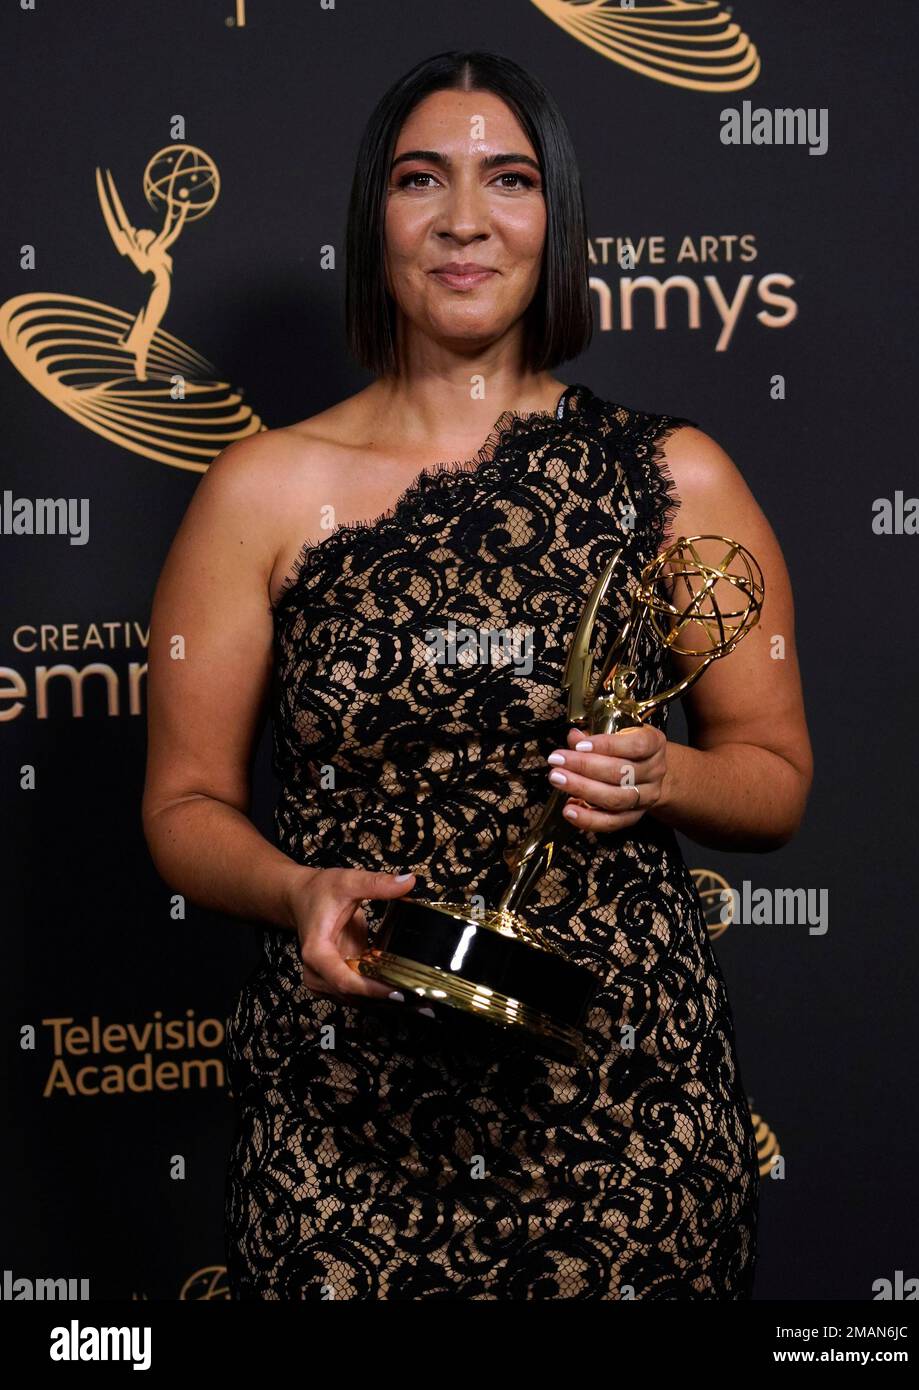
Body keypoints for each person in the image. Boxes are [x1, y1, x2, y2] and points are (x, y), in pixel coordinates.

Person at [142, 49, 813, 1300]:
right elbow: (182, 807)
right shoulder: (260, 490)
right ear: (372, 220)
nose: (464, 220)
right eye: (419, 180)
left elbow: (775, 781)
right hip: (343, 1110)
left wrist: (666, 775)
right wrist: (295, 889)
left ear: (553, 219)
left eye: (507, 178)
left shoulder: (676, 476)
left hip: (618, 1107)